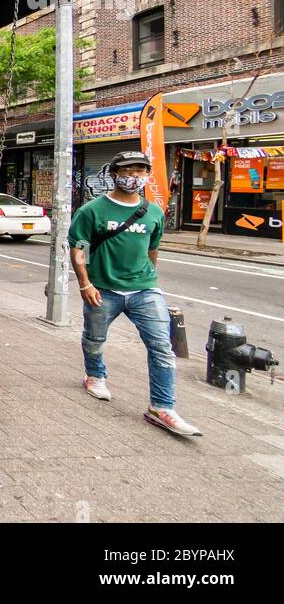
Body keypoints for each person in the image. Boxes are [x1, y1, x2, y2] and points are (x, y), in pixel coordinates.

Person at [67, 150, 201, 437]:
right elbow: (80, 249)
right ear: (114, 175)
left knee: (162, 348)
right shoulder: (92, 211)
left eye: (141, 171)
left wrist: (151, 278)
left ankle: (161, 407)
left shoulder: (153, 212)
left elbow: (153, 249)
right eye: (128, 171)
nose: (135, 176)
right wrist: (85, 283)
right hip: (103, 289)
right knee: (94, 338)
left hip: (144, 289)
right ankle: (95, 375)